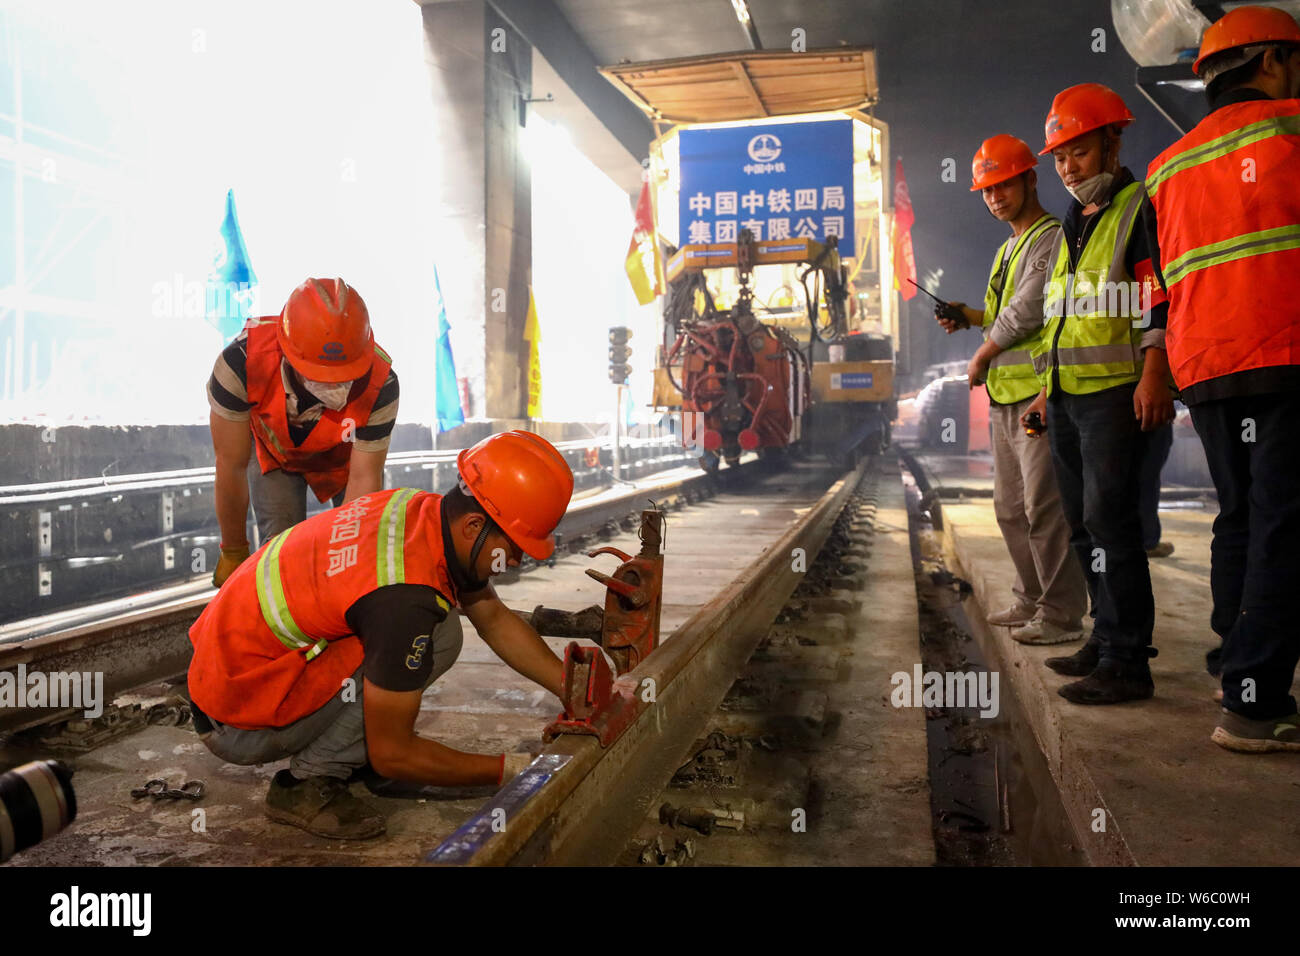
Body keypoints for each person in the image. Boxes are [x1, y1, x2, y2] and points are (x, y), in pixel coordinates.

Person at [187, 430, 575, 838]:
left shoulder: (421, 511)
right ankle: (307, 784)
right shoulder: (403, 599)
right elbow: (396, 756)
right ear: (474, 524)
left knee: (442, 632)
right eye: (513, 547)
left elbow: (492, 616)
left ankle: (354, 753)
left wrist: (572, 690)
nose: (514, 561)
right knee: (419, 638)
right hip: (234, 717)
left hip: (230, 672)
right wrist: (514, 771)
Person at [1144, 5, 1300, 750]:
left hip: (1206, 367)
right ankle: (1254, 702)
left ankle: (1229, 663)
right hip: (1282, 351)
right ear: (1271, 62)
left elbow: (1163, 279)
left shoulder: (1169, 165)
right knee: (1283, 524)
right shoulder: (1290, 127)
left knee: (1240, 515)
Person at [1022, 83, 1176, 704]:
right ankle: (1101, 634)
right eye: (1059, 158)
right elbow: (1062, 313)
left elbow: (1155, 294)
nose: (1067, 167)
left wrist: (1154, 372)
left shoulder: (1139, 207)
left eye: (1078, 153)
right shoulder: (1074, 220)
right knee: (1084, 526)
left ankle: (1127, 660)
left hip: (1115, 391)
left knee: (1113, 523)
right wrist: (1043, 390)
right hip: (1065, 394)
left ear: (1113, 141)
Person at [935, 134, 1087, 645]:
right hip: (1006, 396)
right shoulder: (1008, 248)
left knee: (1045, 508)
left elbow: (1029, 311)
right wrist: (971, 317)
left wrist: (980, 352)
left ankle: (1062, 614)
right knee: (1009, 508)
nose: (995, 197)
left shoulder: (1049, 237)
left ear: (1029, 179)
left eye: (1003, 185)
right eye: (986, 190)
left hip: (1037, 393)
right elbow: (1004, 314)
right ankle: (1029, 598)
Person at [207, 277, 398, 586]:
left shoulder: (381, 385)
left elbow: (364, 478)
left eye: (345, 375)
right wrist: (234, 549)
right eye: (322, 375)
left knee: (357, 559)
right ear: (286, 352)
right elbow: (231, 465)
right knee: (281, 556)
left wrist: (346, 565)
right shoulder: (240, 364)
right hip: (276, 456)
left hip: (344, 463)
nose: (335, 385)